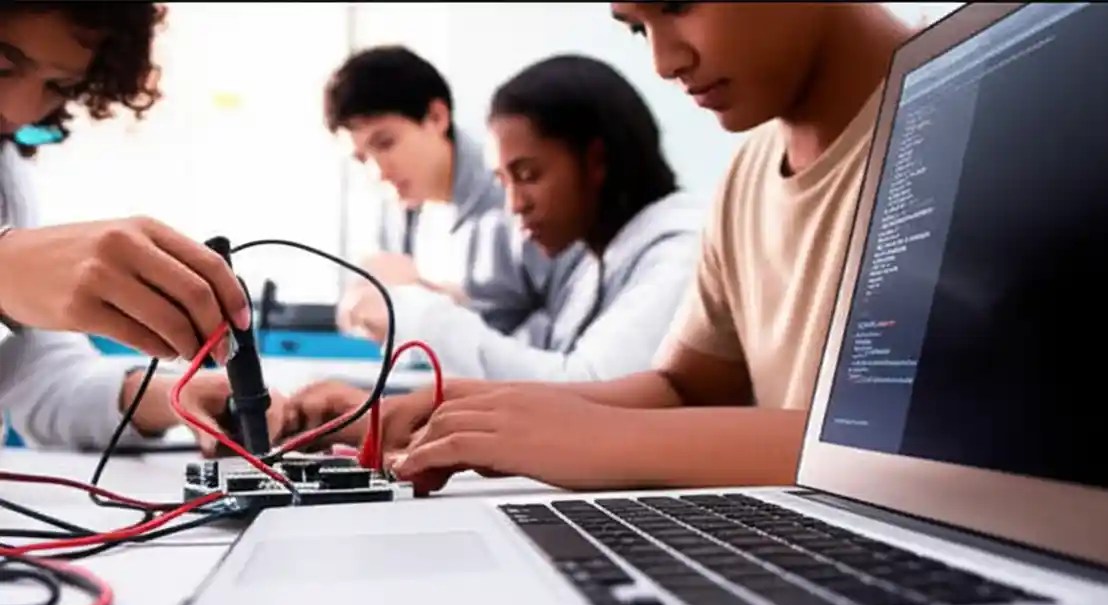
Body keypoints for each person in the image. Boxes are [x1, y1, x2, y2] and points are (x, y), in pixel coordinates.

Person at [366, 2, 917, 492]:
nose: (663, 62)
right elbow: (686, 389)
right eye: (637, 29)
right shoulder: (748, 171)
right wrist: (487, 410)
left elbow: (898, 442)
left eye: (678, 6)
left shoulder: (969, 101)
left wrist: (597, 438)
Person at [290, 54, 702, 439]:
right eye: (503, 182)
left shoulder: (678, 250)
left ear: (597, 161)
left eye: (528, 175)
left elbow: (586, 392)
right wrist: (381, 408)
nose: (514, 205)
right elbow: (534, 372)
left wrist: (417, 310)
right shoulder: (602, 257)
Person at [0, 2, 292, 455]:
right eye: (1, 65)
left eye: (60, 85)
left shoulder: (6, 171)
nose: (19, 110)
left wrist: (168, 400)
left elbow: (37, 381)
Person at [323, 45, 555, 343]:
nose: (378, 172)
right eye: (361, 159)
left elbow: (567, 338)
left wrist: (433, 309)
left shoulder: (516, 199)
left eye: (385, 143)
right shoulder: (399, 210)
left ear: (436, 117)